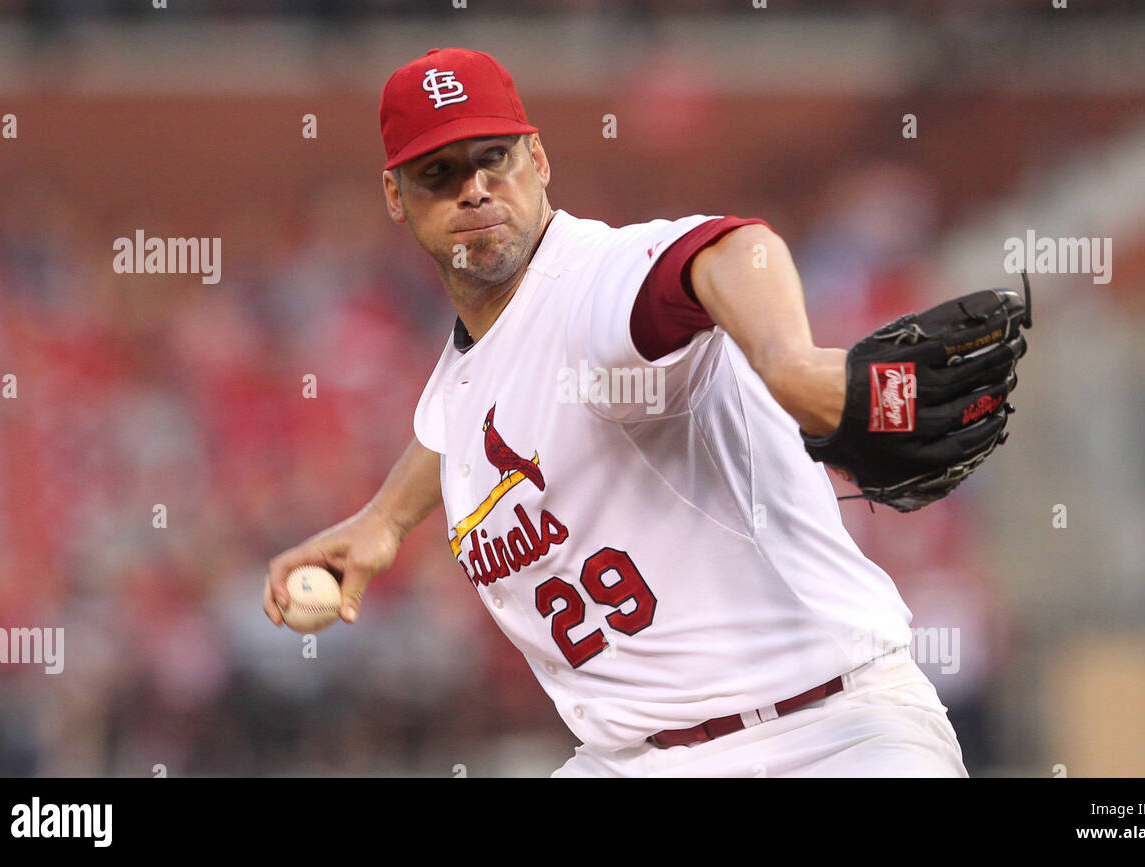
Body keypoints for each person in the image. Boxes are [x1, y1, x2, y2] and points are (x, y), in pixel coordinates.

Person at [263, 47, 967, 777]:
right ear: (395, 195)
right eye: (438, 173)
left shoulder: (597, 284)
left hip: (827, 732)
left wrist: (786, 359)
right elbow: (464, 417)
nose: (474, 189)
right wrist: (383, 521)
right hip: (632, 760)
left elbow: (733, 248)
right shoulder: (469, 368)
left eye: (493, 157)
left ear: (537, 160)